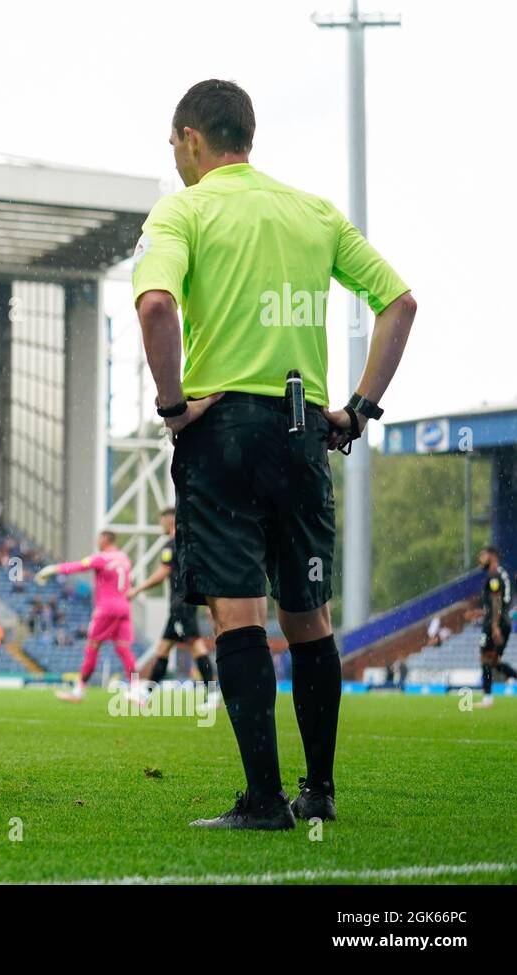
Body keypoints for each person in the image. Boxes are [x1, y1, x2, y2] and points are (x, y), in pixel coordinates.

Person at [133, 79, 416, 828]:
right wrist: (358, 408)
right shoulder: (313, 211)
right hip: (302, 431)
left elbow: (156, 305)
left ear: (193, 139)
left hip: (222, 429)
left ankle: (263, 800)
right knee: (309, 616)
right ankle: (318, 791)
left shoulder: (184, 209)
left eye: (174, 145)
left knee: (237, 614)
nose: (175, 158)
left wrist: (171, 406)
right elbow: (400, 302)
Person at [126, 507, 219, 708]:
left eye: (162, 520)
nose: (160, 524)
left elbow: (162, 574)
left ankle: (212, 694)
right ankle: (146, 693)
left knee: (195, 646)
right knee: (163, 648)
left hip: (181, 604)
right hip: (185, 602)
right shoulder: (190, 543)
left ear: (170, 520)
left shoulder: (172, 544)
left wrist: (137, 590)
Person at [35, 531, 136, 701]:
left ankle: (79, 691)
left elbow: (78, 566)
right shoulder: (124, 558)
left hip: (106, 608)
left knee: (92, 647)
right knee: (124, 649)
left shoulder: (102, 558)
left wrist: (53, 569)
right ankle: (137, 689)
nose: (97, 542)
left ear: (105, 539)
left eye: (98, 539)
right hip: (124, 607)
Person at [465, 545, 515, 708]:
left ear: (492, 556)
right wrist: (479, 613)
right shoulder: (502, 573)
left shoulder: (494, 575)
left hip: (496, 622)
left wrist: (494, 625)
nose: (481, 559)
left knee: (485, 659)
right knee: (492, 661)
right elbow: (500, 602)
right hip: (503, 621)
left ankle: (487, 698)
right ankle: (488, 696)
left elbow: (496, 600)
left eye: (483, 555)